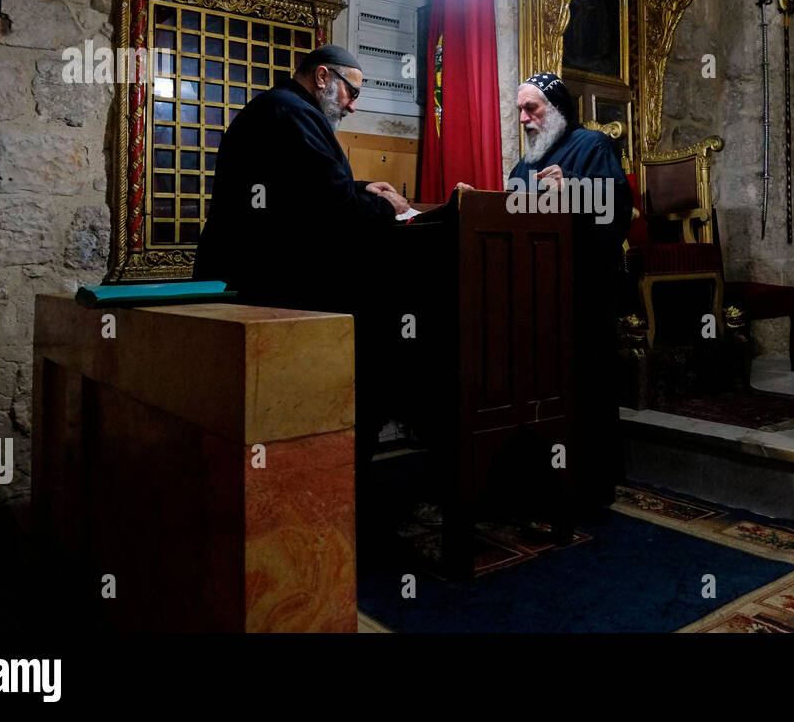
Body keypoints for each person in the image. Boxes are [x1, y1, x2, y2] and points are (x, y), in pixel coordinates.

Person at [193, 44, 409, 551]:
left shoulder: (277, 109)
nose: (354, 104)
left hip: (257, 288)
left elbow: (301, 191)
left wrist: (361, 187)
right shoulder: (292, 114)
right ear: (322, 77)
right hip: (284, 295)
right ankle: (325, 530)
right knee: (320, 413)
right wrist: (390, 209)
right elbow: (328, 209)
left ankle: (289, 526)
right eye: (351, 91)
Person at [460, 72, 633, 514]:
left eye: (531, 108)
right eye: (519, 109)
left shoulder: (593, 145)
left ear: (556, 108)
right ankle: (535, 483)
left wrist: (572, 190)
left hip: (583, 295)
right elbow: (510, 220)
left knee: (585, 390)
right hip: (533, 300)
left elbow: (619, 212)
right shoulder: (525, 164)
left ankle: (590, 491)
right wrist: (475, 203)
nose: (523, 118)